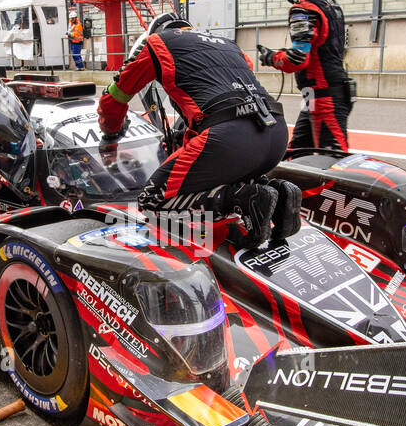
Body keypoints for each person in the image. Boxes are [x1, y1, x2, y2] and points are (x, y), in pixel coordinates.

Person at [97, 13, 296, 250]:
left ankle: (242, 200)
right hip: (275, 132)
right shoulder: (230, 46)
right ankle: (281, 194)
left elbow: (114, 99)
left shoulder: (157, 43)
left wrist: (110, 133)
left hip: (227, 136)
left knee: (151, 201)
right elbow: (217, 95)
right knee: (230, 179)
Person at [258, 0, 354, 152]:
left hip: (323, 98)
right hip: (321, 96)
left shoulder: (304, 9)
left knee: (330, 164)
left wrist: (270, 57)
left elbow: (297, 59)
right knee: (296, 160)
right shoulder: (331, 4)